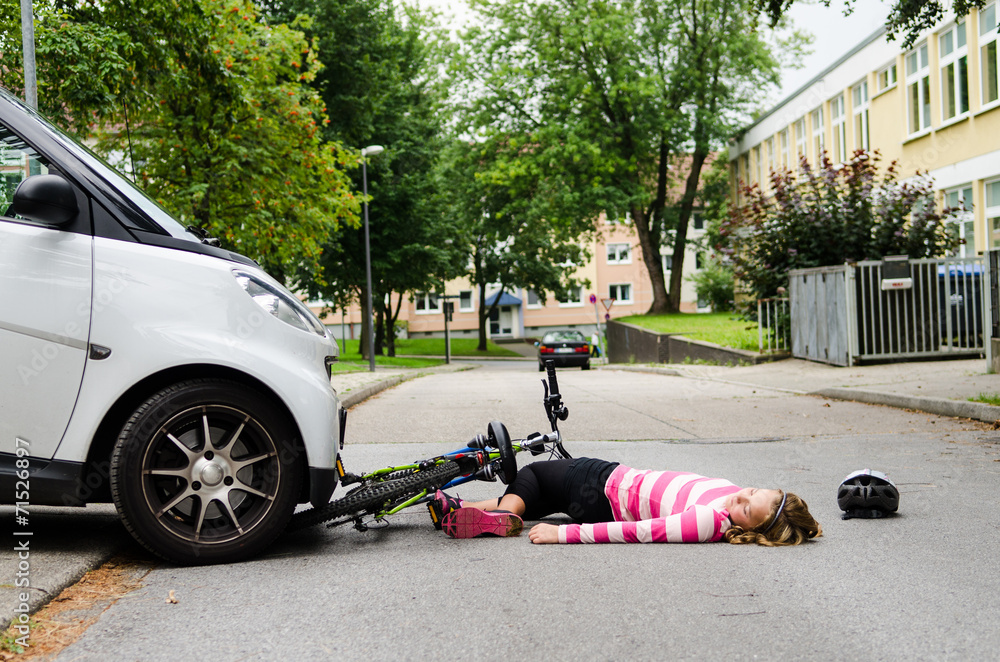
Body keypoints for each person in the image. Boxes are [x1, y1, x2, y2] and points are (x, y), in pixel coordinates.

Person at [427, 457, 821, 546]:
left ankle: (502, 514)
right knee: (540, 494)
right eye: (753, 491)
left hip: (605, 488)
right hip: (606, 491)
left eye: (747, 509)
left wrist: (563, 536)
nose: (742, 496)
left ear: (745, 529)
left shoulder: (707, 521)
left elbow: (639, 532)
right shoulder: (728, 505)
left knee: (533, 474)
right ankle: (461, 510)